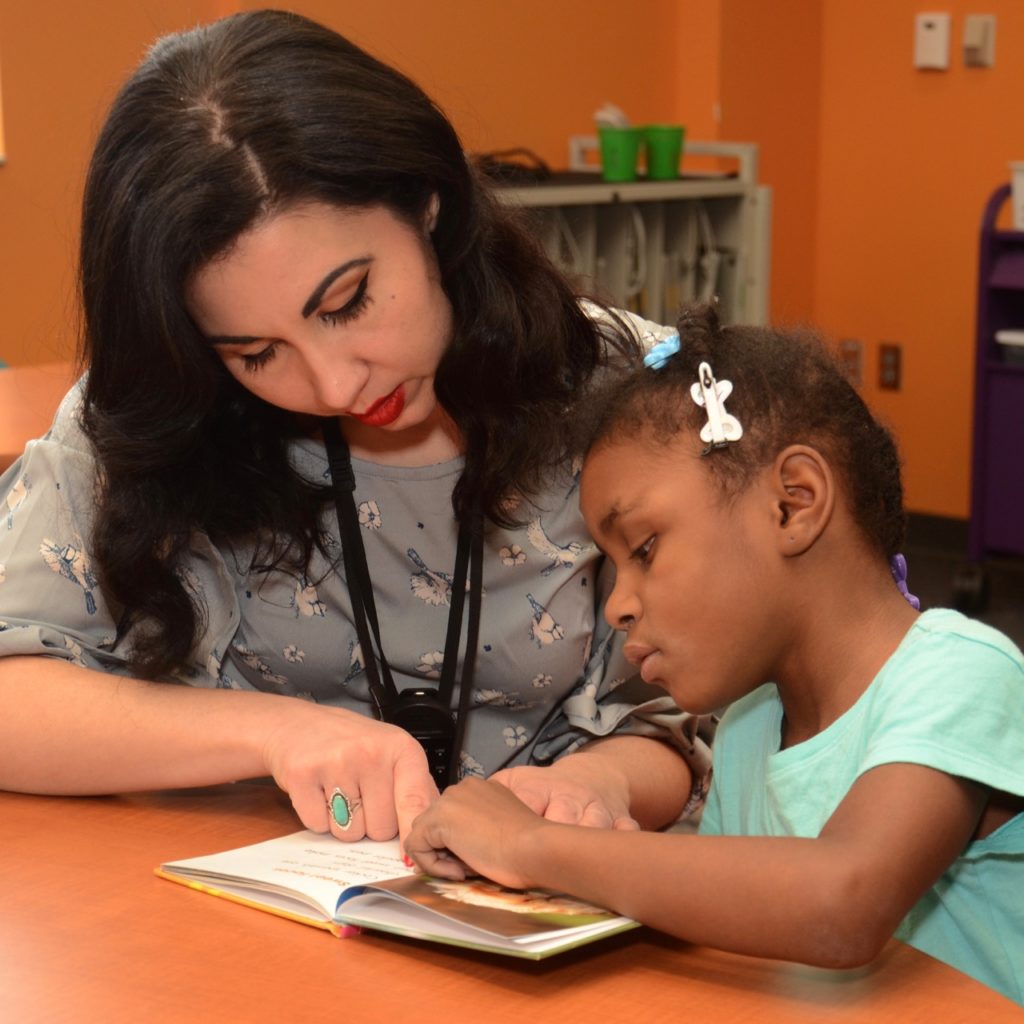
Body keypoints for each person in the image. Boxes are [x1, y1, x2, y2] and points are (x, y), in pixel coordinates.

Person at [0, 10, 713, 847]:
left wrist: (595, 785)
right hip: (226, 903)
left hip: (544, 897)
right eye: (257, 353)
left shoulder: (622, 391)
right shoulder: (157, 415)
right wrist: (277, 735)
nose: (335, 385)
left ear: (428, 204)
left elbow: (687, 720)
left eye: (348, 303)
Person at [406, 304, 1024, 1003]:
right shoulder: (751, 726)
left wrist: (529, 848)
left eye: (644, 550)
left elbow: (840, 906)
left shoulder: (960, 674)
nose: (616, 606)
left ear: (794, 503)